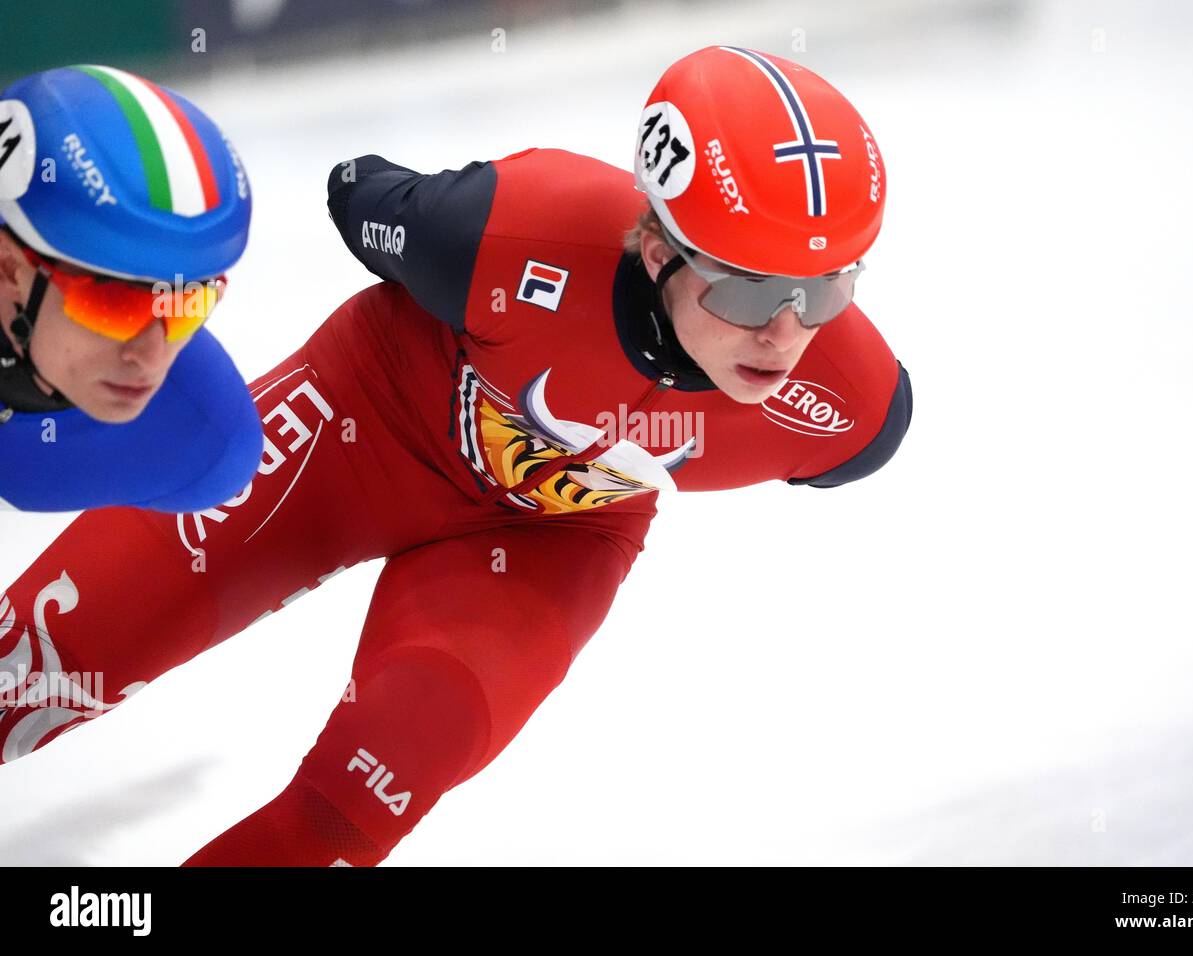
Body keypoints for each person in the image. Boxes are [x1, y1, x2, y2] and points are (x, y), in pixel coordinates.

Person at [0, 46, 911, 865]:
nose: (786, 333)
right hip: (370, 418)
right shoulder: (505, 232)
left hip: (554, 541)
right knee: (34, 666)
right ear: (653, 245)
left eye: (826, 291)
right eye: (749, 294)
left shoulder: (854, 406)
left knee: (360, 800)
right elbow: (356, 189)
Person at [0, 64, 261, 513]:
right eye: (113, 307)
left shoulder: (200, 440)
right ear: (9, 268)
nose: (152, 357)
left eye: (187, 307)